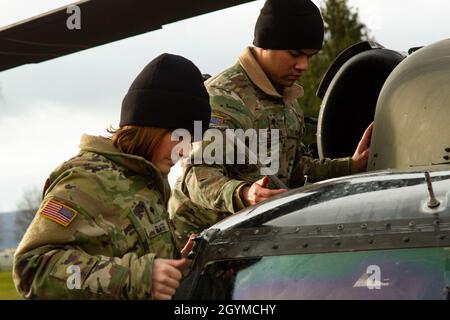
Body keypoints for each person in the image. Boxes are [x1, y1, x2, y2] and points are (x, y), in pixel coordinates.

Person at [168, 0, 373, 248]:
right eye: (295, 54)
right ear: (266, 43)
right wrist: (244, 194)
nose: (304, 66)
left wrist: (351, 166)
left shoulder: (288, 103)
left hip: (255, 240)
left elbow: (295, 170)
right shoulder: (219, 98)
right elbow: (198, 177)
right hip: (201, 246)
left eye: (310, 56)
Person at [12, 53, 211, 299]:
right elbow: (32, 269)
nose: (184, 151)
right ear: (152, 126)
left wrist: (173, 262)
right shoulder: (87, 179)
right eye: (181, 138)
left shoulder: (148, 180)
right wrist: (137, 278)